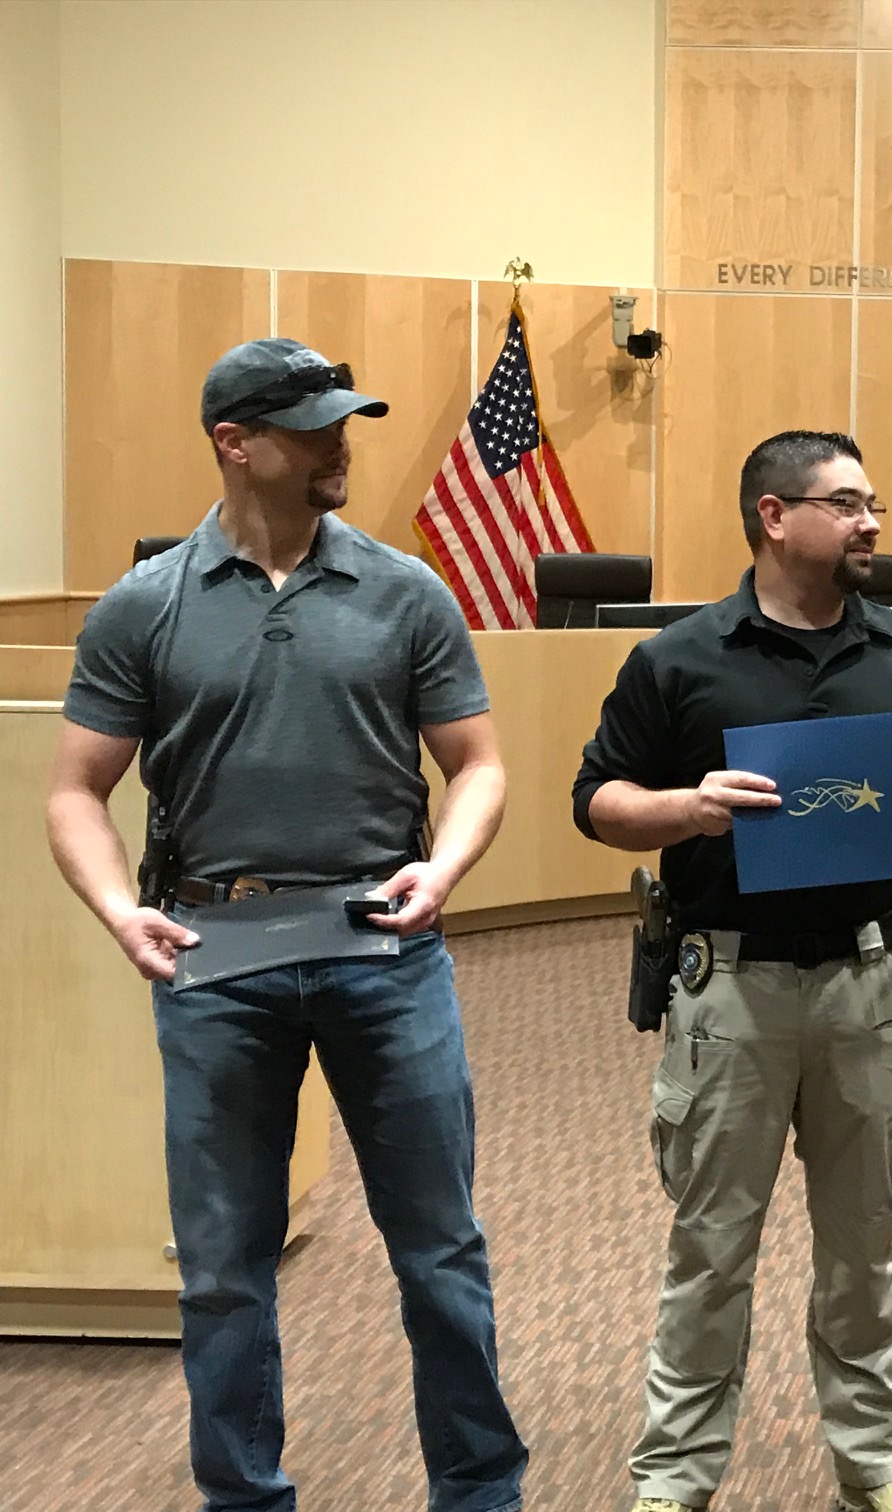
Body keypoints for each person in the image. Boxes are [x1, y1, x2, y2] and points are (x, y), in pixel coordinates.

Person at [46, 339, 527, 1512]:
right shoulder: (144, 609)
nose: (340, 443)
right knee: (222, 1271)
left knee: (442, 1254)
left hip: (387, 950)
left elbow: (479, 766)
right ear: (235, 442)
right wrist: (121, 913)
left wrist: (444, 868)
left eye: (343, 420)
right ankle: (244, 1497)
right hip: (219, 963)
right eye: (314, 425)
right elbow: (74, 793)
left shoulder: (407, 590)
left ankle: (478, 1492)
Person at [573, 430, 892, 1512]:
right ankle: (673, 1478)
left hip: (868, 984)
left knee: (865, 1255)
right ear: (774, 515)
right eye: (848, 504)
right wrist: (689, 808)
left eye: (873, 503)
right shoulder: (678, 660)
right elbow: (599, 802)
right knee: (711, 1251)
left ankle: (883, 1468)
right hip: (731, 990)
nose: (871, 524)